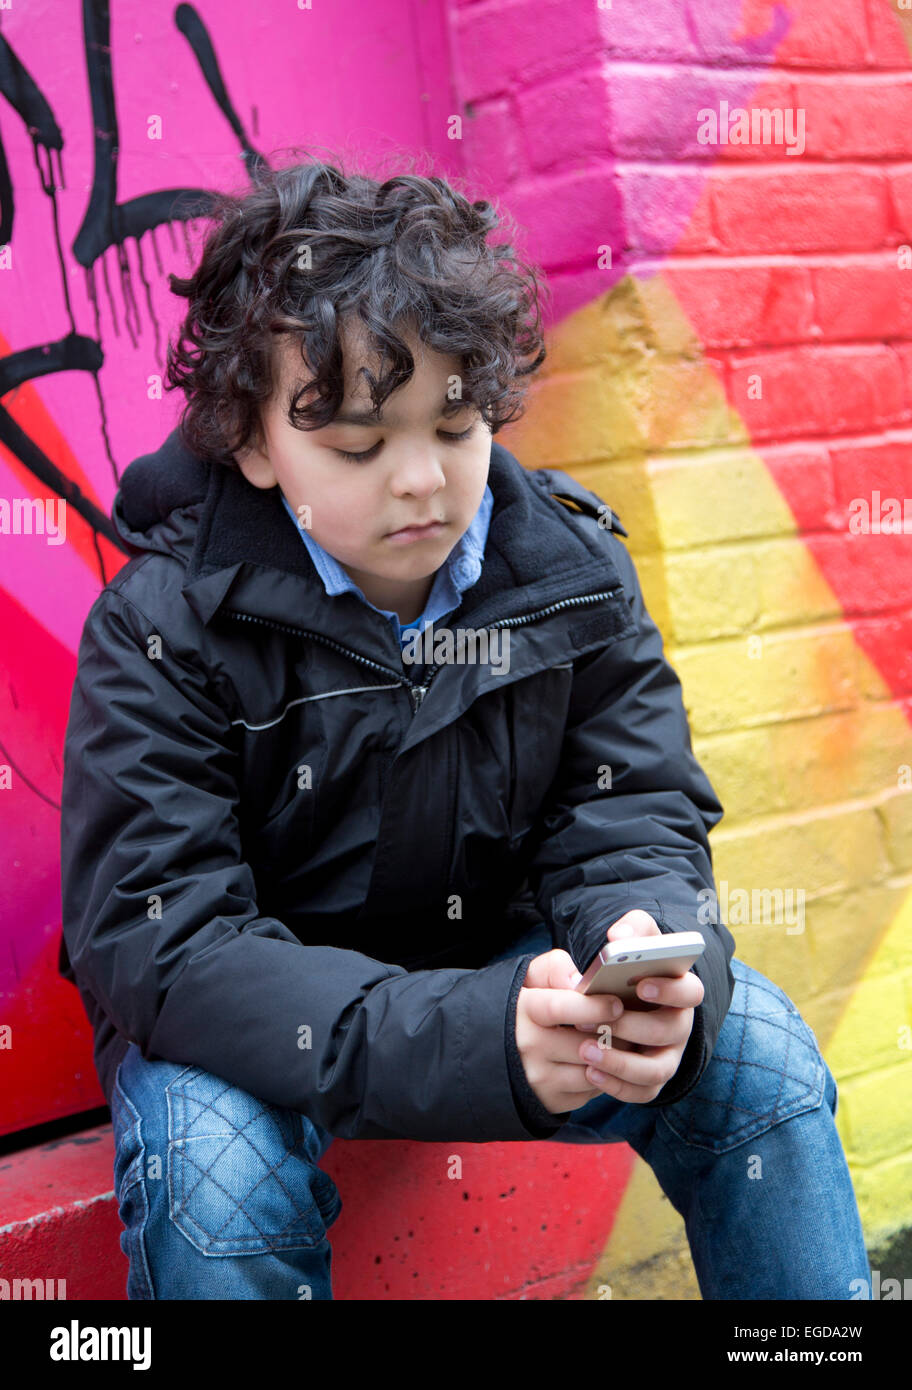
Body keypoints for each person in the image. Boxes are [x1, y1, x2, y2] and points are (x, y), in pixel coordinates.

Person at [59, 154, 870, 1300]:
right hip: (258, 1038)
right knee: (209, 1170)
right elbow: (168, 946)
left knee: (758, 1057)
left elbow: (633, 810)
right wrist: (468, 1035)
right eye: (357, 444)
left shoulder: (574, 569)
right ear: (248, 441)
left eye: (456, 425)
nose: (422, 484)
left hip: (522, 980)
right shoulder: (161, 623)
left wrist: (639, 945)